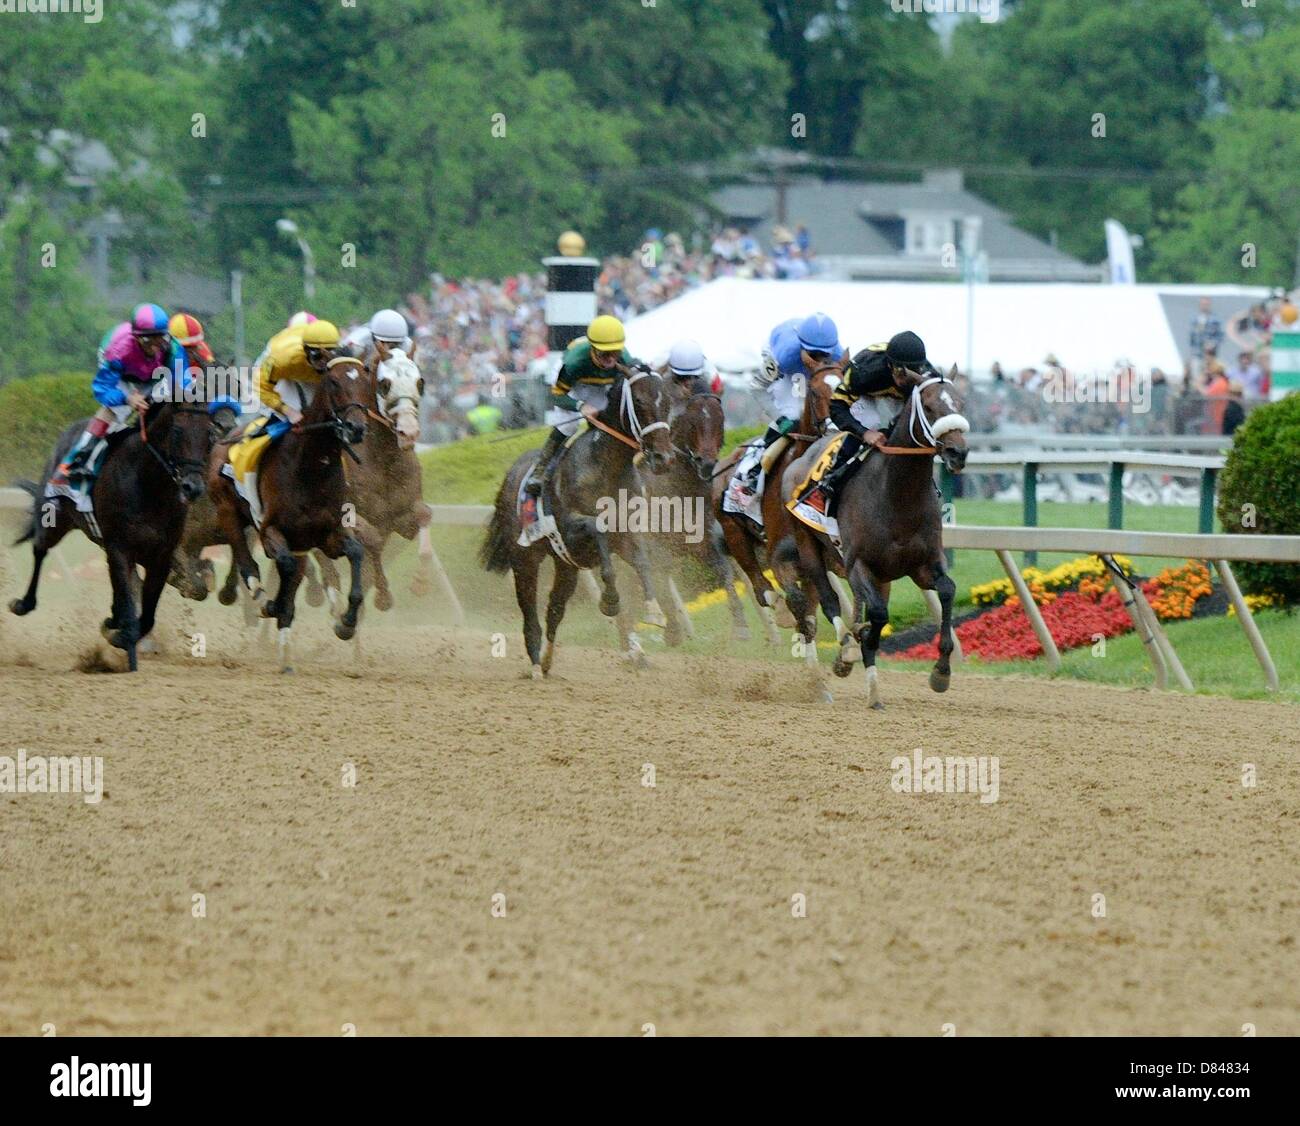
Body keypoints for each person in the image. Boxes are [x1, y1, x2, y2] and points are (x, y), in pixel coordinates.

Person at [47, 303, 189, 501]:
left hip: (154, 375)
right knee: (114, 411)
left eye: (161, 336)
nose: (157, 344)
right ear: (137, 337)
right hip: (124, 376)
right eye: (150, 339)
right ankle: (69, 467)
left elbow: (183, 382)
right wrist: (128, 398)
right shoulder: (118, 350)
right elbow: (102, 389)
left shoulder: (173, 348)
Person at [790, 331, 933, 520]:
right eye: (900, 372)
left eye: (911, 374)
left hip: (903, 399)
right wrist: (864, 433)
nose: (904, 379)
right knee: (871, 424)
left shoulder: (928, 375)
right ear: (890, 365)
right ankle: (828, 483)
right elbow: (837, 407)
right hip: (868, 394)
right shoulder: (864, 373)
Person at [226, 319, 344, 515]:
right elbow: (261, 388)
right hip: (280, 376)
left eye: (328, 356)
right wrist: (287, 410)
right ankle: (246, 466)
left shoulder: (336, 363)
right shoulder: (284, 358)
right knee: (287, 419)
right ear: (306, 350)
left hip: (315, 378)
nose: (323, 362)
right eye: (317, 356)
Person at [728, 313, 844, 506]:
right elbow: (757, 387)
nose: (818, 360)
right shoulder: (784, 357)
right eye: (813, 354)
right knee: (793, 415)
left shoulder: (838, 356)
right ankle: (751, 474)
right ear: (802, 347)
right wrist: (779, 418)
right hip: (783, 357)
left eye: (824, 356)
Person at [525, 315, 644, 496]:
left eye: (615, 353)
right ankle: (540, 469)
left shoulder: (625, 359)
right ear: (593, 349)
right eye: (605, 354)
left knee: (609, 417)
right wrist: (581, 406)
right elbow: (556, 396)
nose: (611, 360)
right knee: (568, 424)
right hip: (573, 383)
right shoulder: (574, 362)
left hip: (599, 384)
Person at [343, 308, 413, 369]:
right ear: (373, 338)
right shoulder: (359, 343)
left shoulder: (408, 346)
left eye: (395, 344)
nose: (386, 348)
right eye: (383, 342)